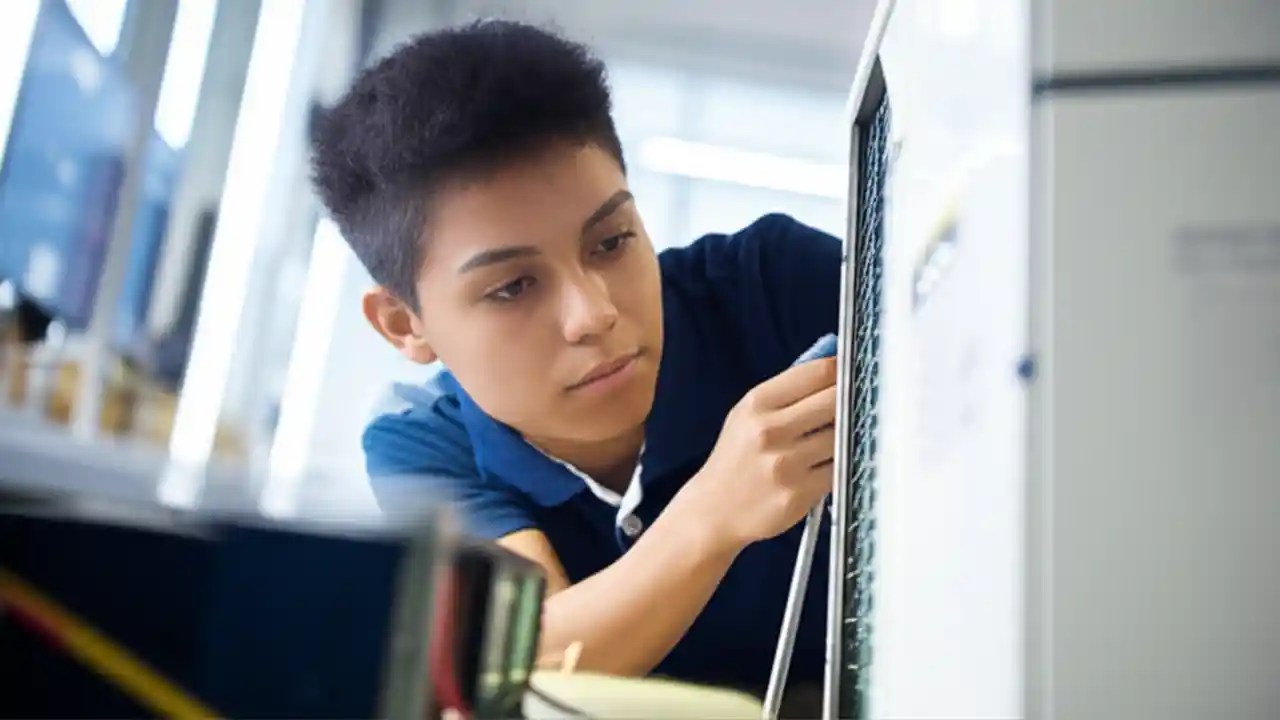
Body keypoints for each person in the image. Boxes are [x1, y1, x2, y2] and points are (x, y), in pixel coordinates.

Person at [310, 20, 841, 696]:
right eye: (512, 287)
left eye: (612, 242)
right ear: (404, 324)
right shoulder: (424, 442)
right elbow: (517, 668)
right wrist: (713, 513)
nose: (593, 314)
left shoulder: (776, 284)